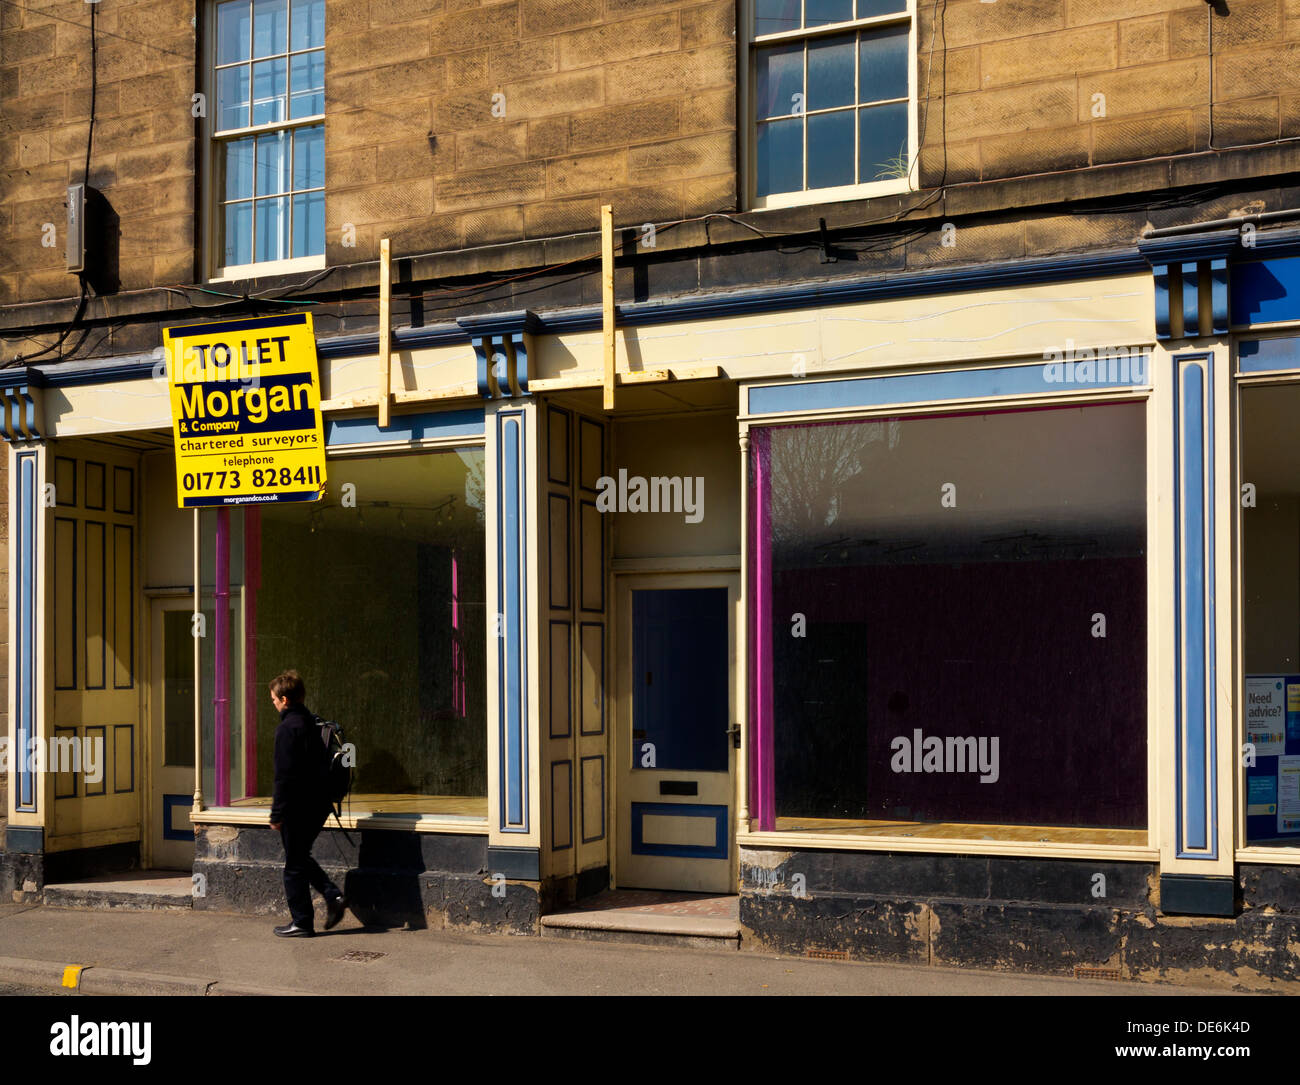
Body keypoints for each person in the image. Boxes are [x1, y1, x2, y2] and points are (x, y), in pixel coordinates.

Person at [268, 670, 346, 937]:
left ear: (286, 699)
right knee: (300, 857)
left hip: (297, 808)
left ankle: (301, 921)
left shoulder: (287, 729)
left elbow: (284, 776)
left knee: (293, 866)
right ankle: (333, 896)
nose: (274, 704)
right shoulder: (311, 724)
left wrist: (276, 814)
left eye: (275, 700)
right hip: (318, 804)